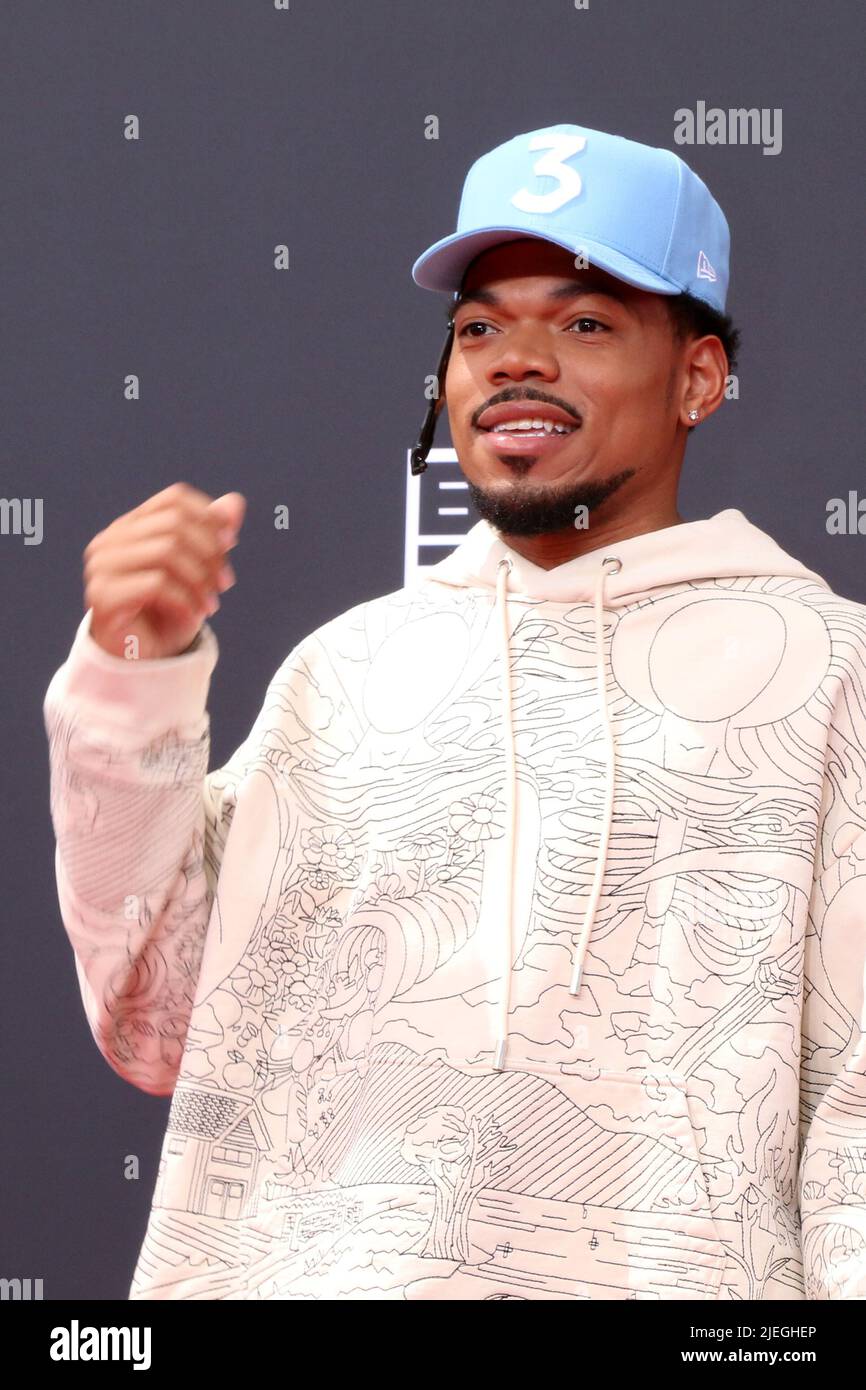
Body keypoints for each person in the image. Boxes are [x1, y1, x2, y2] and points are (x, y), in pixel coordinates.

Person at [42, 122, 866, 1301]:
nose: (513, 360)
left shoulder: (829, 674)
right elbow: (160, 1023)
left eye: (583, 321)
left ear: (697, 376)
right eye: (479, 325)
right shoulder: (341, 678)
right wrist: (131, 679)